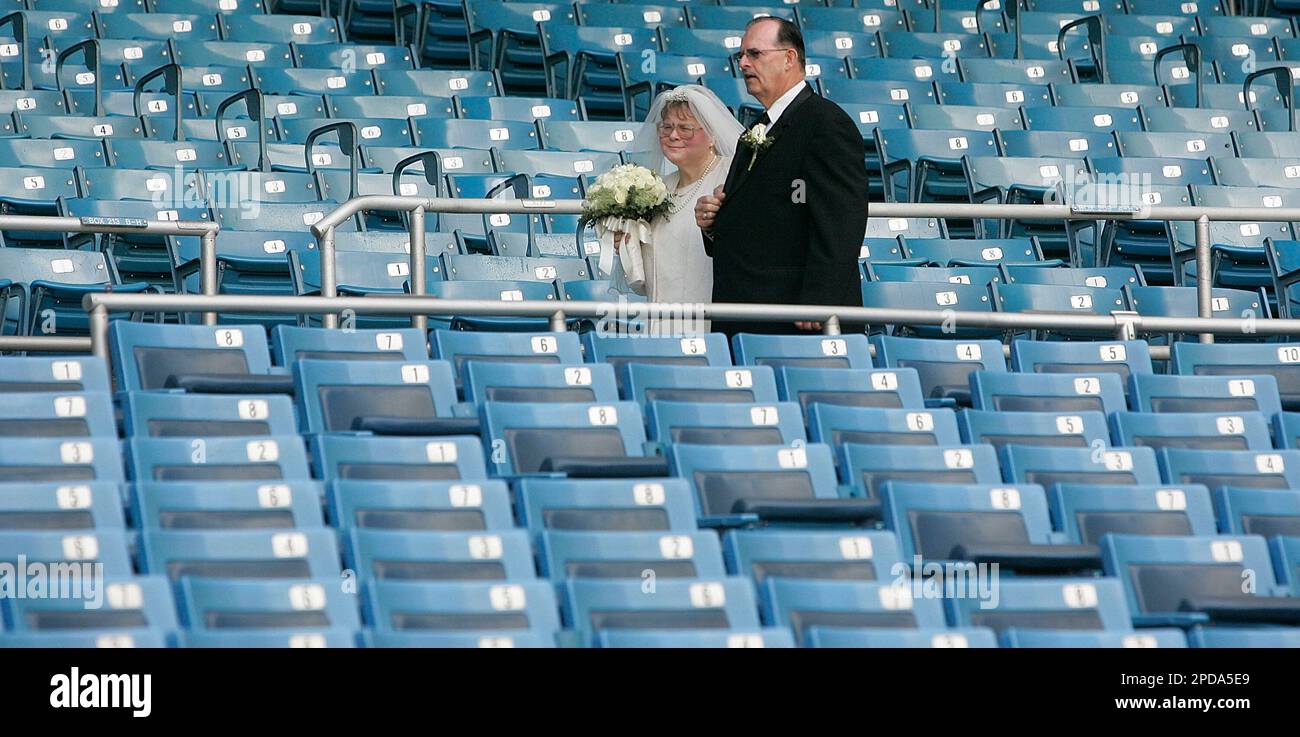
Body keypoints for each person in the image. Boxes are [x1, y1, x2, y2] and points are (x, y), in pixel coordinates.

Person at [694, 16, 870, 336]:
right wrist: (714, 223)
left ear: (789, 58)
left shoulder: (826, 124)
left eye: (754, 54)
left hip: (793, 317)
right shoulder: (756, 129)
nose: (743, 63)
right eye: (741, 56)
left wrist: (820, 299)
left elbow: (842, 220)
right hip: (748, 311)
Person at [613, 85, 743, 334]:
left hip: (713, 325)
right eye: (666, 127)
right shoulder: (656, 191)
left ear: (712, 135)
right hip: (662, 326)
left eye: (685, 128)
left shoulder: (731, 178)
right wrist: (628, 249)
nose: (673, 135)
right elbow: (645, 284)